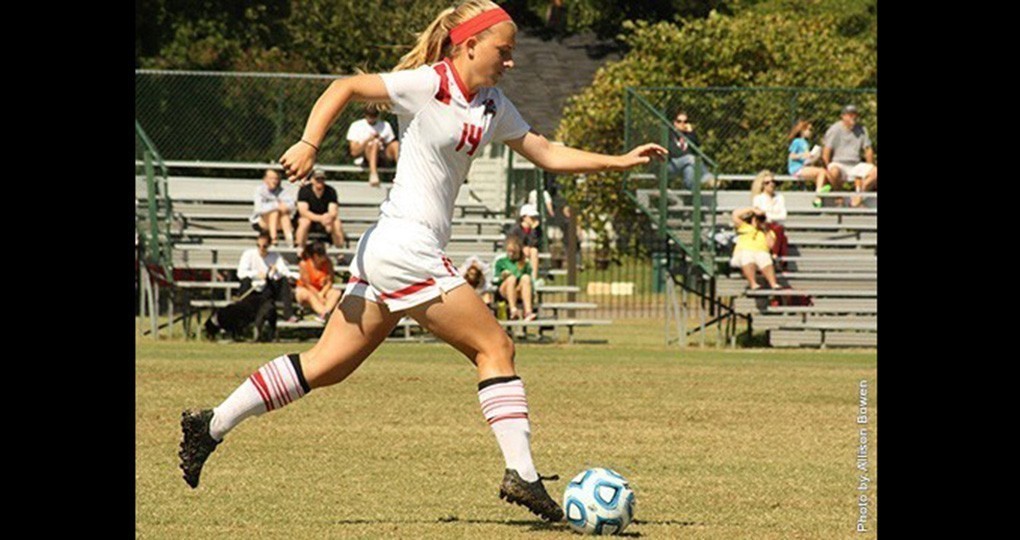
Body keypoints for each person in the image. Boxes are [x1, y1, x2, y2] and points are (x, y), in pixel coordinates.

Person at [179, 0, 666, 523]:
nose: (510, 61)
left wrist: (617, 162)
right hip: (405, 246)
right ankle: (522, 474)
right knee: (496, 347)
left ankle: (210, 425)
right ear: (470, 45)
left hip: (391, 248)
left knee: (326, 366)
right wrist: (308, 142)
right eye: (504, 51)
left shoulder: (493, 104)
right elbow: (345, 86)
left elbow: (545, 152)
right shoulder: (428, 83)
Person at [822, 104, 877, 208]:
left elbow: (868, 150)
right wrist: (826, 168)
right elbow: (826, 151)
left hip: (855, 164)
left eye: (855, 115)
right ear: (843, 116)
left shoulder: (862, 129)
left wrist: (870, 167)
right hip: (838, 163)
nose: (853, 117)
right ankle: (839, 197)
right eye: (850, 115)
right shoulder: (834, 129)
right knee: (833, 171)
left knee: (875, 172)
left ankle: (858, 197)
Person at [346, 103, 399, 187]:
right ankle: (373, 174)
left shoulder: (385, 125)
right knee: (374, 144)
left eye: (374, 115)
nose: (372, 118)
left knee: (396, 144)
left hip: (383, 156)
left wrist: (382, 140)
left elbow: (390, 145)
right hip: (366, 157)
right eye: (370, 115)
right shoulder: (356, 126)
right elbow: (354, 152)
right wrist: (368, 140)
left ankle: (401, 172)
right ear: (365, 114)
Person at [730, 206, 780, 290]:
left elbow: (771, 245)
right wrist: (753, 210)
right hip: (743, 253)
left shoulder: (769, 232)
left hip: (761, 253)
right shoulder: (745, 227)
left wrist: (765, 230)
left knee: (764, 257)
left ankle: (773, 283)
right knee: (748, 256)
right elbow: (735, 215)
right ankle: (753, 283)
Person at [294, 168, 347, 248]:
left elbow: (333, 211)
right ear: (312, 180)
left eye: (322, 179)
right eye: (317, 179)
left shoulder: (330, 191)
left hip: (325, 220)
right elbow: (303, 212)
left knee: (336, 222)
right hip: (310, 219)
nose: (320, 181)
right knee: (304, 222)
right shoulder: (304, 190)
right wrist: (320, 218)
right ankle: (300, 248)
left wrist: (328, 218)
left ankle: (340, 251)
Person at [786, 120, 831, 208]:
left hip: (803, 167)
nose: (810, 132)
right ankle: (818, 196)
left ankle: (819, 196)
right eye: (809, 130)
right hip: (796, 169)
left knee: (824, 175)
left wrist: (813, 158)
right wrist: (804, 155)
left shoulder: (805, 142)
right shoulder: (797, 141)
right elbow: (791, 156)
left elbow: (806, 160)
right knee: (821, 172)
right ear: (802, 130)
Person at [294, 241, 342, 323]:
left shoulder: (328, 263)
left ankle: (324, 314)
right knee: (308, 295)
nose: (325, 256)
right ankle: (324, 313)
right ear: (315, 256)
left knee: (336, 293)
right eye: (323, 254)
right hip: (306, 290)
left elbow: (330, 281)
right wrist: (318, 296)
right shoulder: (304, 264)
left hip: (322, 290)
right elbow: (307, 285)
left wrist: (322, 293)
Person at [750, 170, 789, 269]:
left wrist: (767, 214)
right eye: (767, 182)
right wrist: (772, 215)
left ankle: (775, 256)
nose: (771, 184)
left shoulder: (780, 197)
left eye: (773, 181)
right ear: (762, 185)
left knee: (780, 231)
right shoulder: (758, 198)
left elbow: (783, 215)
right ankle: (782, 263)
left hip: (776, 225)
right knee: (781, 234)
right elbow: (759, 215)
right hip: (763, 226)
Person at [493, 234, 536, 320]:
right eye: (509, 251)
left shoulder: (525, 262)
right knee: (511, 279)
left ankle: (528, 311)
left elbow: (530, 279)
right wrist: (502, 276)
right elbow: (494, 279)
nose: (511, 254)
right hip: (505, 288)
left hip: (519, 289)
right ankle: (513, 310)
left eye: (513, 252)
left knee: (526, 278)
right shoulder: (501, 261)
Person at [666, 109, 712, 190]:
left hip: (686, 164)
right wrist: (687, 156)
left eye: (685, 122)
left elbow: (696, 148)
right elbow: (675, 153)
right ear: (674, 123)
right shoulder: (669, 134)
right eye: (679, 121)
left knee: (689, 169)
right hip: (671, 165)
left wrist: (691, 132)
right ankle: (707, 177)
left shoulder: (688, 135)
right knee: (691, 158)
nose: (682, 124)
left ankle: (690, 193)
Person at [250, 168, 296, 246]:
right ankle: (274, 240)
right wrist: (276, 205)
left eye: (276, 178)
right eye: (271, 178)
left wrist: (284, 207)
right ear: (265, 179)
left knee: (284, 214)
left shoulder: (282, 191)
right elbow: (258, 209)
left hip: (279, 222)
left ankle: (290, 240)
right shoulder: (259, 190)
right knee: (274, 212)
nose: (274, 181)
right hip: (261, 221)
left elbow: (292, 205)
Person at [510, 204, 541, 281]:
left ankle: (534, 279)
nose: (534, 219)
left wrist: (533, 230)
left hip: (529, 252)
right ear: (524, 217)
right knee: (526, 250)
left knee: (534, 251)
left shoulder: (536, 229)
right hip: (517, 252)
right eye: (531, 217)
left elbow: (534, 243)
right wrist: (522, 248)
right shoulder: (516, 229)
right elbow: (512, 243)